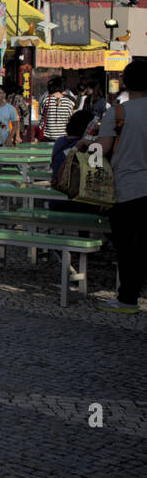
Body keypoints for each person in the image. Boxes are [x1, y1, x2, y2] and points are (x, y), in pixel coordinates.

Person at [80, 59, 147, 312]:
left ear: (126, 82)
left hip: (128, 189)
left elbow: (103, 149)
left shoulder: (118, 112)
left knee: (130, 248)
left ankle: (127, 299)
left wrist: (86, 145)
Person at [39, 76, 74, 142]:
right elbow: (70, 118)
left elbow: (41, 114)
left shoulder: (46, 100)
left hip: (47, 136)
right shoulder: (69, 102)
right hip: (63, 137)